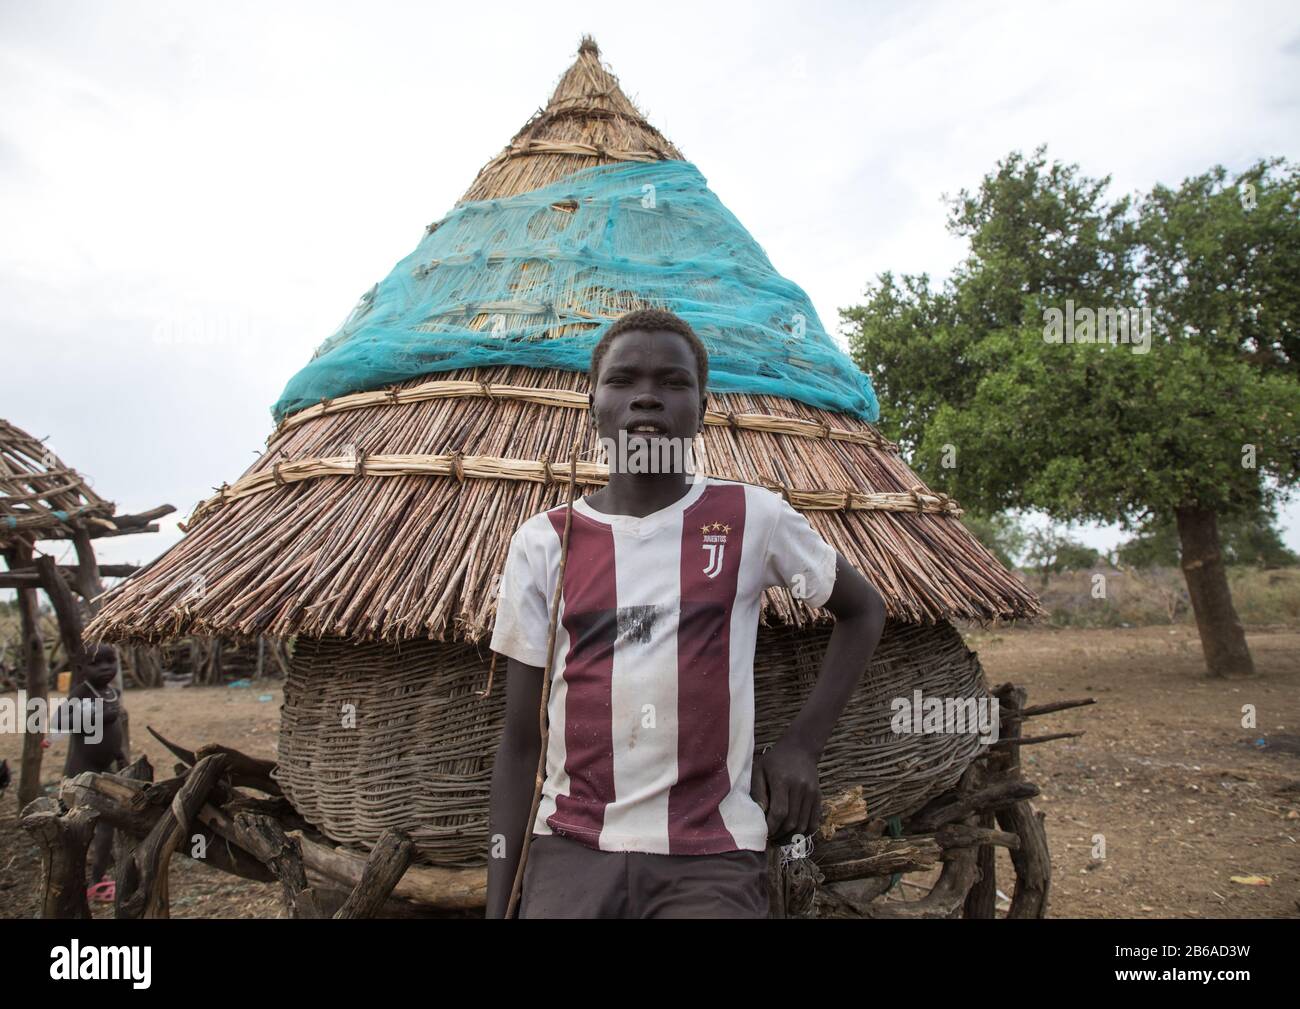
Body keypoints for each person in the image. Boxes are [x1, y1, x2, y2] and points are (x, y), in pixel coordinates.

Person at [486, 307, 886, 918]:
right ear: (593, 405)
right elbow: (520, 743)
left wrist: (802, 746)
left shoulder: (753, 518)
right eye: (623, 381)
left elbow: (863, 610)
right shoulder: (544, 544)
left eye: (673, 383)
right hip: (571, 848)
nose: (647, 398)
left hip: (712, 855)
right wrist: (498, 906)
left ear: (701, 411)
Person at [65, 643, 128, 902]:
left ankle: (97, 879)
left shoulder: (112, 692)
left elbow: (114, 732)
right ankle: (76, 880)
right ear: (81, 669)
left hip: (106, 768)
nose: (105, 668)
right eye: (96, 663)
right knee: (80, 827)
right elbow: (63, 722)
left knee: (106, 827)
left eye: (110, 661)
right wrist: (100, 718)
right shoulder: (81, 693)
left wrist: (120, 755)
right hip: (82, 771)